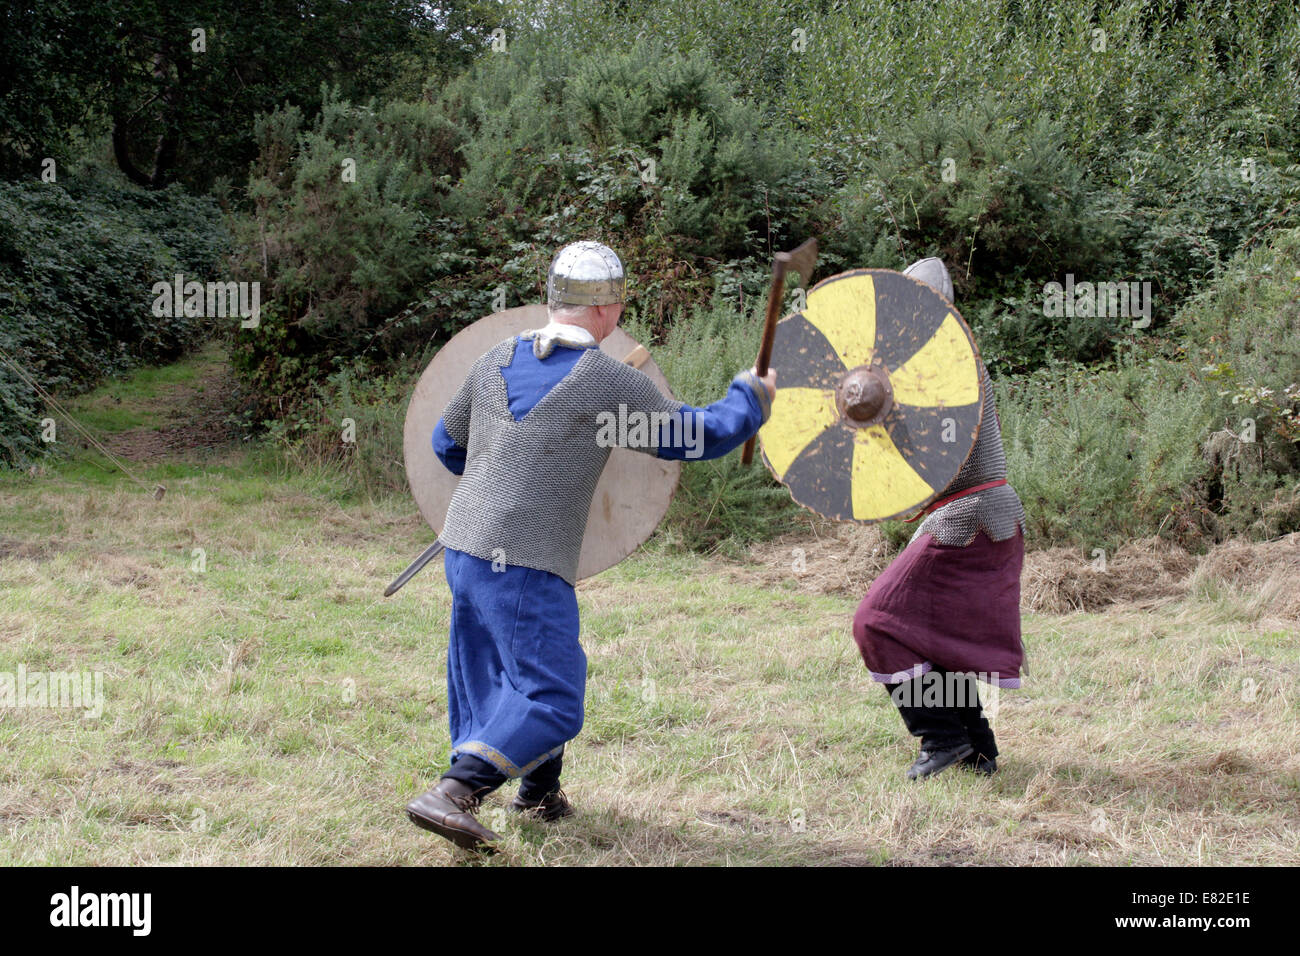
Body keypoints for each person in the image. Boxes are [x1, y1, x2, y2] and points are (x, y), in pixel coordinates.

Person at [406, 240, 776, 849]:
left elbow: (448, 446)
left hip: (465, 545)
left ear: (552, 300)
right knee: (552, 692)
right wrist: (750, 398)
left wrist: (506, 462)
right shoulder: (604, 382)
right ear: (608, 310)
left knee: (493, 672)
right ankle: (454, 791)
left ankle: (538, 793)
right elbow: (695, 437)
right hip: (526, 557)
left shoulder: (496, 357)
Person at [852, 257, 1027, 780]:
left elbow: (933, 450)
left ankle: (943, 738)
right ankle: (976, 747)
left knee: (877, 620)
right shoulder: (940, 363)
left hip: (966, 519)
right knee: (935, 635)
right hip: (982, 516)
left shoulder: (950, 362)